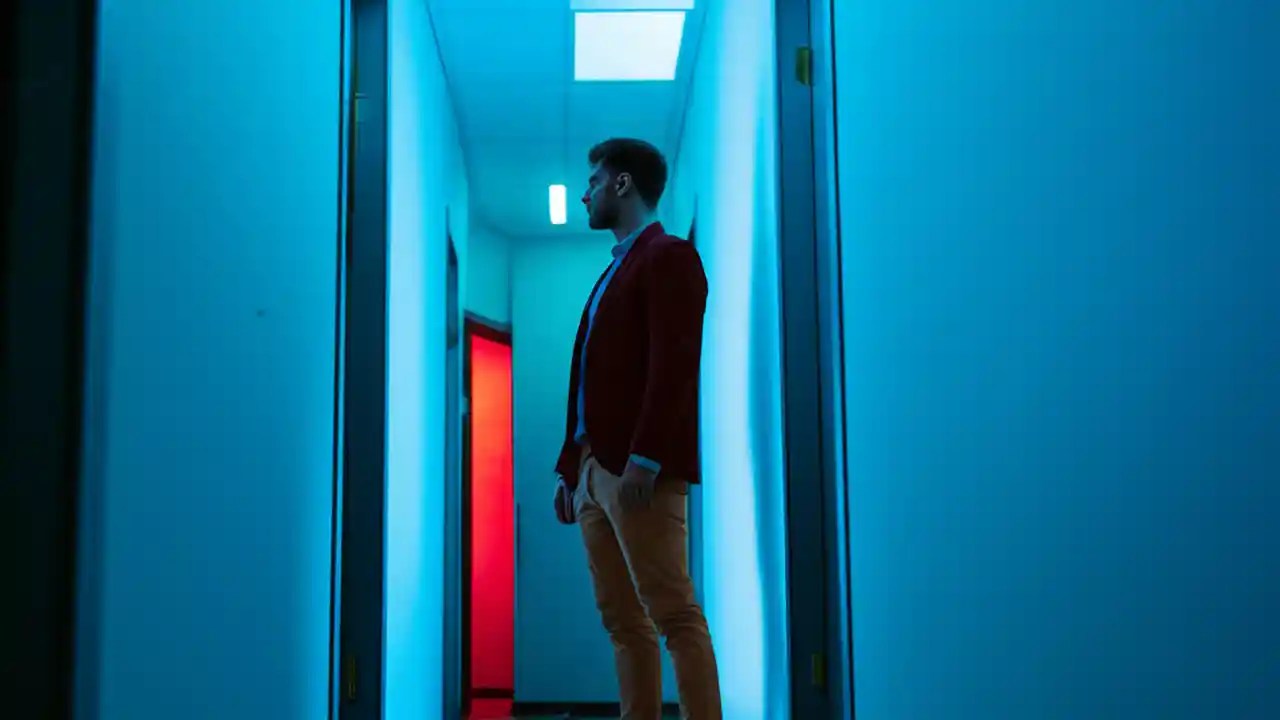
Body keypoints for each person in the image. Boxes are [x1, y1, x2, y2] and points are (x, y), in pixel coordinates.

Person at [552, 138, 722, 720]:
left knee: (673, 614)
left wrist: (645, 459)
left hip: (636, 471)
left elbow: (674, 364)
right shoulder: (613, 272)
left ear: (622, 184)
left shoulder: (669, 256)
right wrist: (570, 467)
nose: (585, 194)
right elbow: (589, 378)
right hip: (593, 472)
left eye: (594, 182)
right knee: (623, 623)